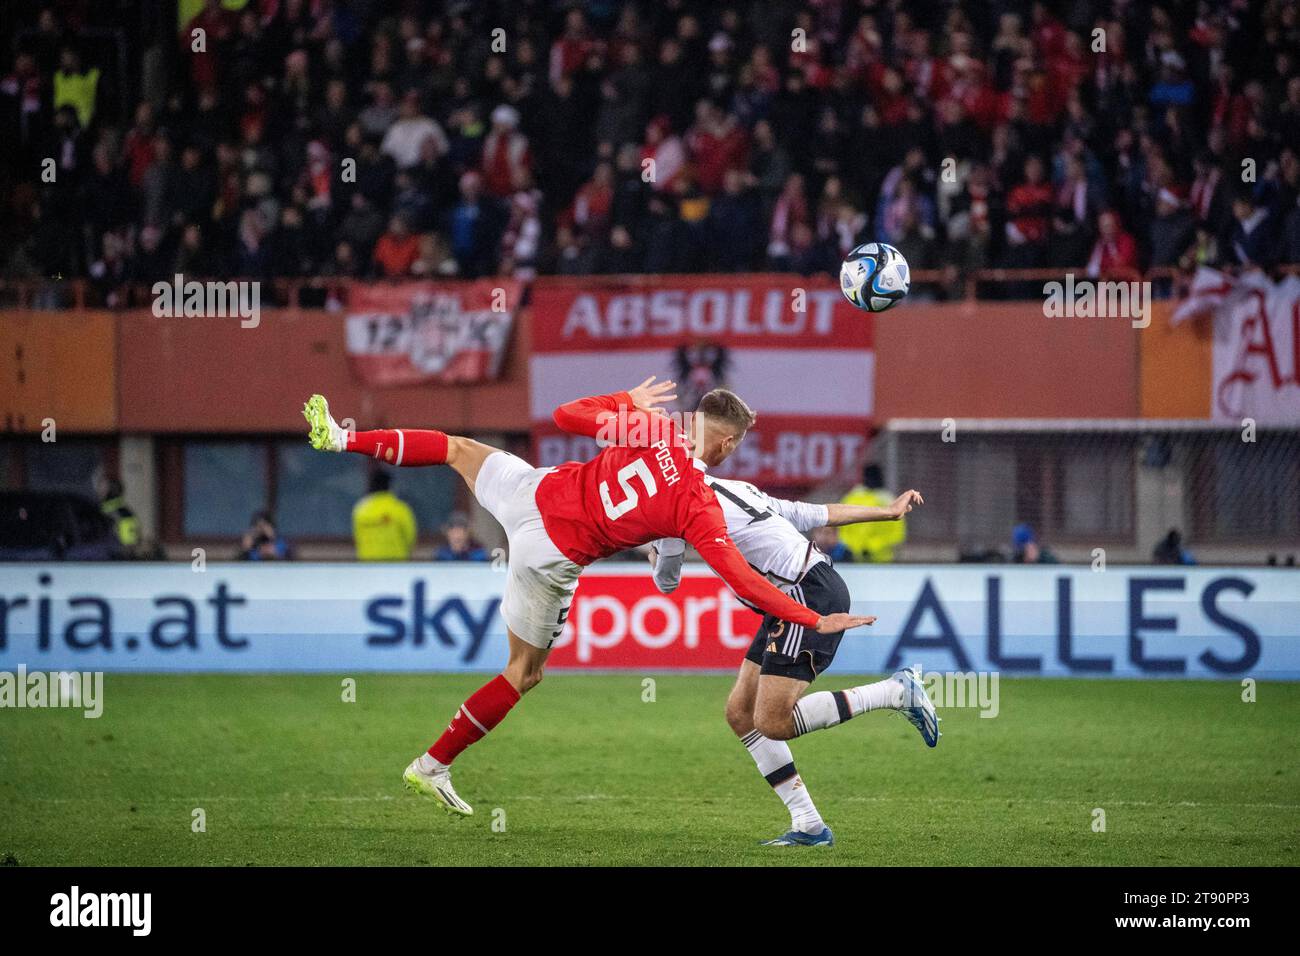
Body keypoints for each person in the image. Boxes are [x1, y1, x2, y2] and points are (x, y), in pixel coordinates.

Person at [302, 379, 874, 815]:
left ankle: (343, 436)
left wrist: (624, 398)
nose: (733, 453)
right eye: (736, 445)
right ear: (724, 441)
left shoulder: (653, 430)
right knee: (522, 673)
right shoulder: (697, 502)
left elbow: (565, 414)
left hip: (534, 489)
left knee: (457, 449)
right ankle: (432, 766)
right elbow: (740, 578)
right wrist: (809, 618)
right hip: (549, 553)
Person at [649, 476, 936, 846]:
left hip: (804, 594)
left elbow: (667, 582)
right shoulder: (733, 489)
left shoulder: (676, 501)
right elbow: (817, 513)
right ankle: (809, 825)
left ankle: (895, 692)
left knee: (772, 720)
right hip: (785, 598)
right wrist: (886, 512)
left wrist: (654, 550)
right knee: (741, 712)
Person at [837, 464, 907, 563]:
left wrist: (870, 547)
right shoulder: (889, 502)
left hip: (879, 560)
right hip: (857, 558)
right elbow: (841, 529)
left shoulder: (853, 498)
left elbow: (897, 534)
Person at [352, 470, 416, 561]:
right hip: (396, 563)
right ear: (389, 486)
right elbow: (410, 537)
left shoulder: (361, 509)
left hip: (367, 565)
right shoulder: (399, 508)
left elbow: (357, 537)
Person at [95, 474, 139, 555]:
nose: (98, 491)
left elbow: (130, 544)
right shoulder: (97, 510)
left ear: (112, 490)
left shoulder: (123, 513)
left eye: (103, 488)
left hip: (115, 559)